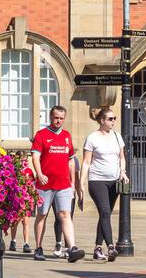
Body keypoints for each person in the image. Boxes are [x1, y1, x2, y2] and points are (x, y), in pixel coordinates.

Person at [31, 105, 85, 263]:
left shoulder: (67, 136)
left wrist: (72, 183)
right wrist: (39, 174)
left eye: (61, 118)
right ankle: (38, 247)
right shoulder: (41, 135)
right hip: (45, 184)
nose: (58, 121)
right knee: (42, 215)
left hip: (63, 184)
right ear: (50, 117)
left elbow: (71, 162)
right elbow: (35, 157)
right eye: (56, 118)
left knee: (65, 215)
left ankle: (72, 248)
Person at [82, 108, 129, 261]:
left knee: (105, 214)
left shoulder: (117, 136)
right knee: (105, 211)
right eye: (110, 119)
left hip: (114, 180)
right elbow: (86, 162)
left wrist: (123, 171)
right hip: (97, 180)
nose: (113, 121)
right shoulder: (92, 138)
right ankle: (110, 246)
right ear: (101, 120)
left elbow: (122, 157)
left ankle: (97, 248)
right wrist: (82, 183)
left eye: (114, 118)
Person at [50, 149, 83, 259]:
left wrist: (79, 194)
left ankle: (68, 246)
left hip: (69, 191)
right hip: (57, 189)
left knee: (68, 218)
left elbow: (77, 178)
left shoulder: (75, 161)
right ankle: (58, 243)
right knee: (58, 218)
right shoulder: (55, 156)